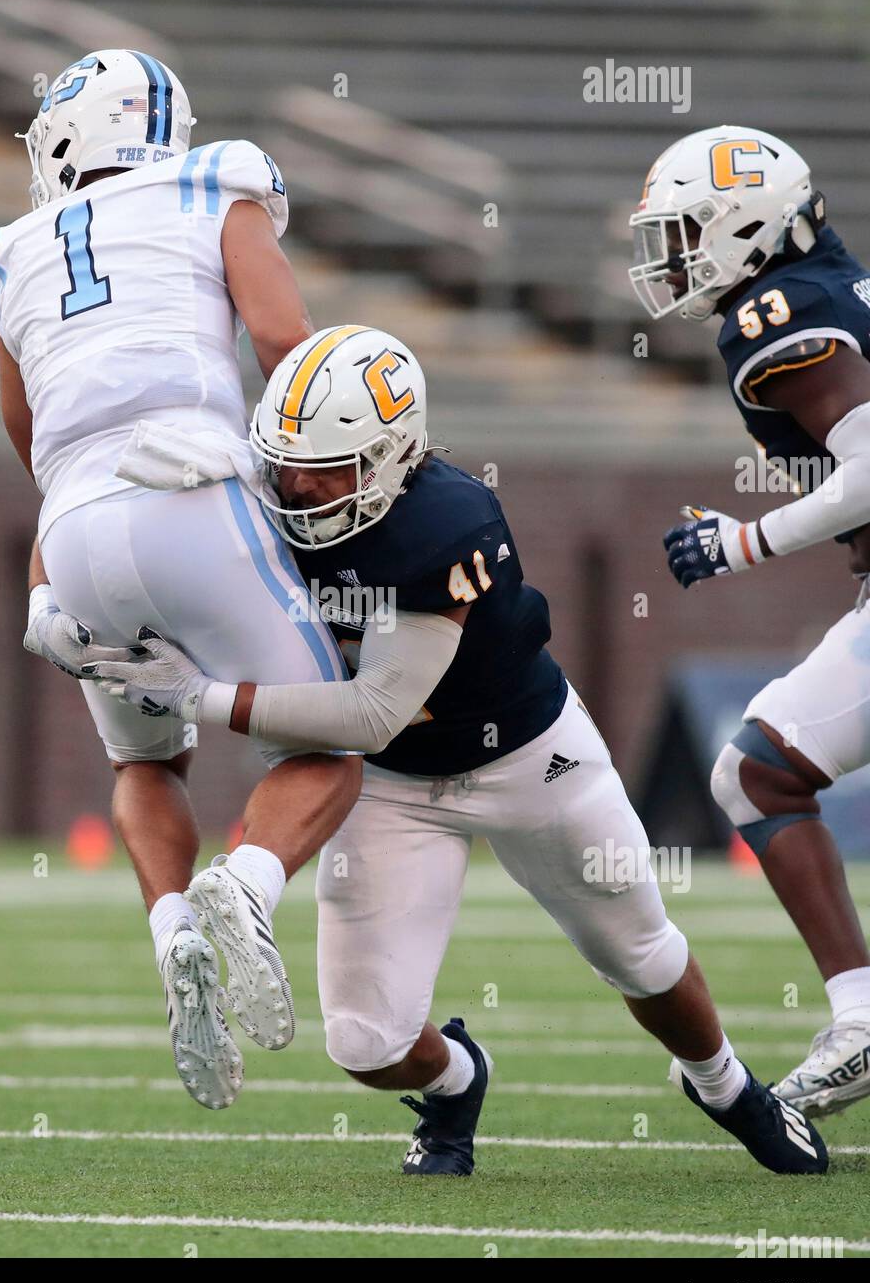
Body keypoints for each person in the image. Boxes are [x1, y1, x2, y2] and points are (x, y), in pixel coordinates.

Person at [78, 325, 829, 1177]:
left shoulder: (448, 520)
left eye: (328, 465)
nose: (297, 485)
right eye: (282, 461)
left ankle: (723, 1083)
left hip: (527, 752)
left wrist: (197, 697)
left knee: (640, 953)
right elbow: (103, 501)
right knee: (365, 1042)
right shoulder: (252, 486)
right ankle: (457, 1082)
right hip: (391, 786)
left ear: (393, 456)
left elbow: (371, 711)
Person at [0, 50, 361, 1111]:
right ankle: (248, 884)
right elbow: (286, 343)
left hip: (77, 534)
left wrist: (45, 584)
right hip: (200, 494)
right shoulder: (212, 182)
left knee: (150, 761)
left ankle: (174, 929)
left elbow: (35, 439)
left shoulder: (6, 255)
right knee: (332, 738)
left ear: (66, 136)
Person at [630, 125, 870, 1117]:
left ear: (747, 227)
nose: (673, 258)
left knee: (757, 771)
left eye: (690, 233)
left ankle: (863, 1020)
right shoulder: (833, 279)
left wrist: (745, 543)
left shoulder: (777, 316)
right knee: (759, 768)